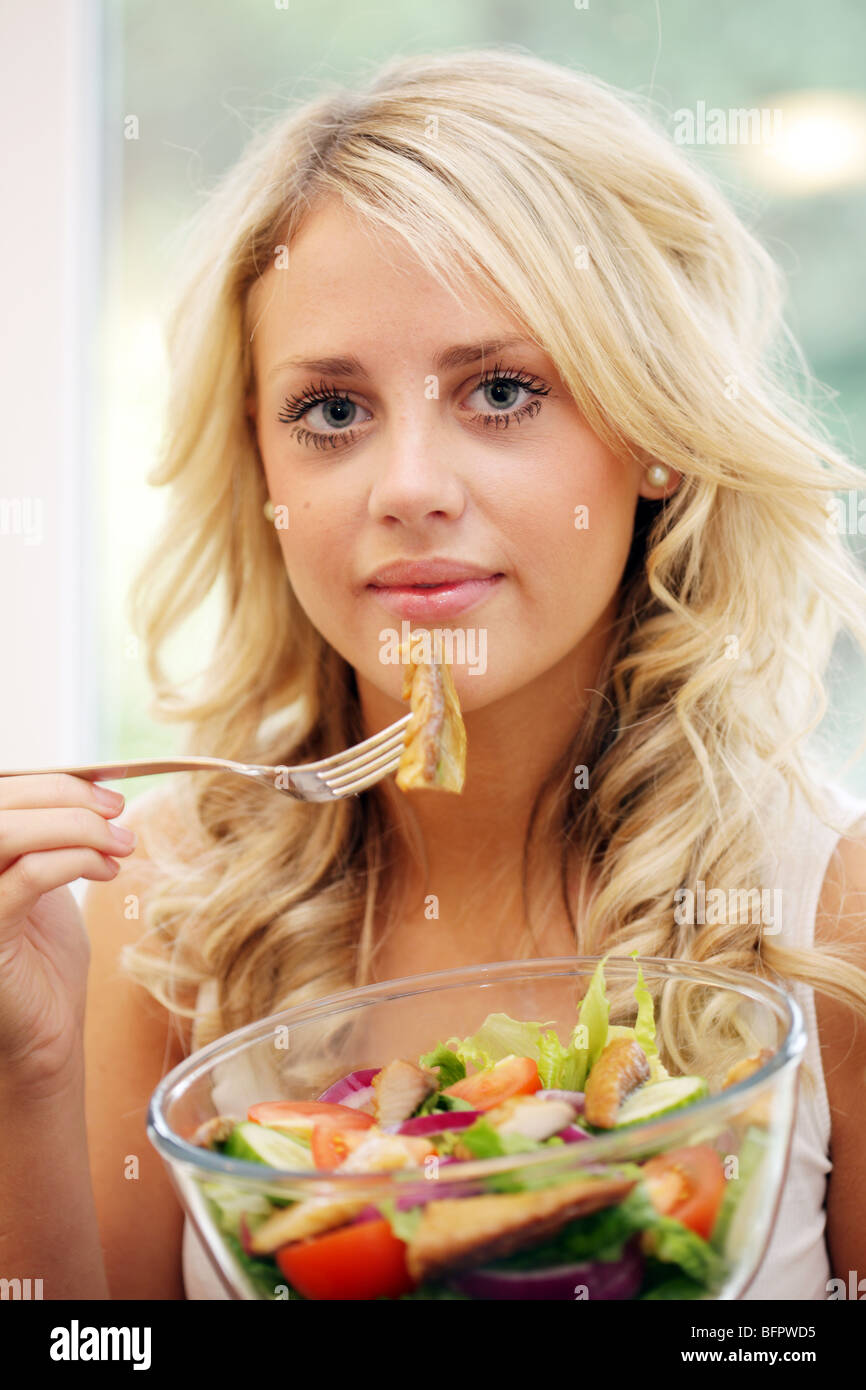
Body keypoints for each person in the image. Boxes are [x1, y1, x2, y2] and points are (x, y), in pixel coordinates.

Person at [2, 47, 865, 1302]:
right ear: (262, 468)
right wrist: (27, 1075)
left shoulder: (829, 919)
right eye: (332, 413)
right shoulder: (161, 914)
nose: (407, 487)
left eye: (501, 390)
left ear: (659, 438)